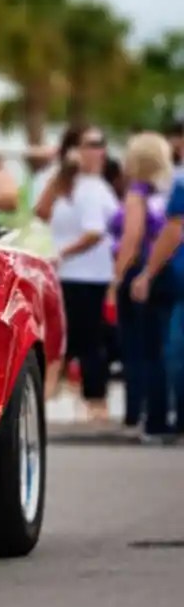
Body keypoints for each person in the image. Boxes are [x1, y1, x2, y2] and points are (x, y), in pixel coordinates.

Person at [34, 125, 119, 421]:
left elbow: (97, 233)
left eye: (100, 144)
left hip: (94, 274)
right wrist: (62, 173)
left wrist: (63, 253)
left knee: (90, 340)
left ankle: (95, 401)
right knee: (66, 339)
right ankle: (52, 397)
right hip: (69, 275)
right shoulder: (65, 184)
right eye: (90, 144)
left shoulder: (100, 186)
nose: (97, 151)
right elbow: (41, 211)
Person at [107, 133, 176, 440]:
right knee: (162, 348)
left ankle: (146, 415)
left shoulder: (137, 193)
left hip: (139, 274)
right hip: (166, 272)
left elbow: (131, 241)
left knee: (139, 350)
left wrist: (118, 278)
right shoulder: (167, 191)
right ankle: (165, 413)